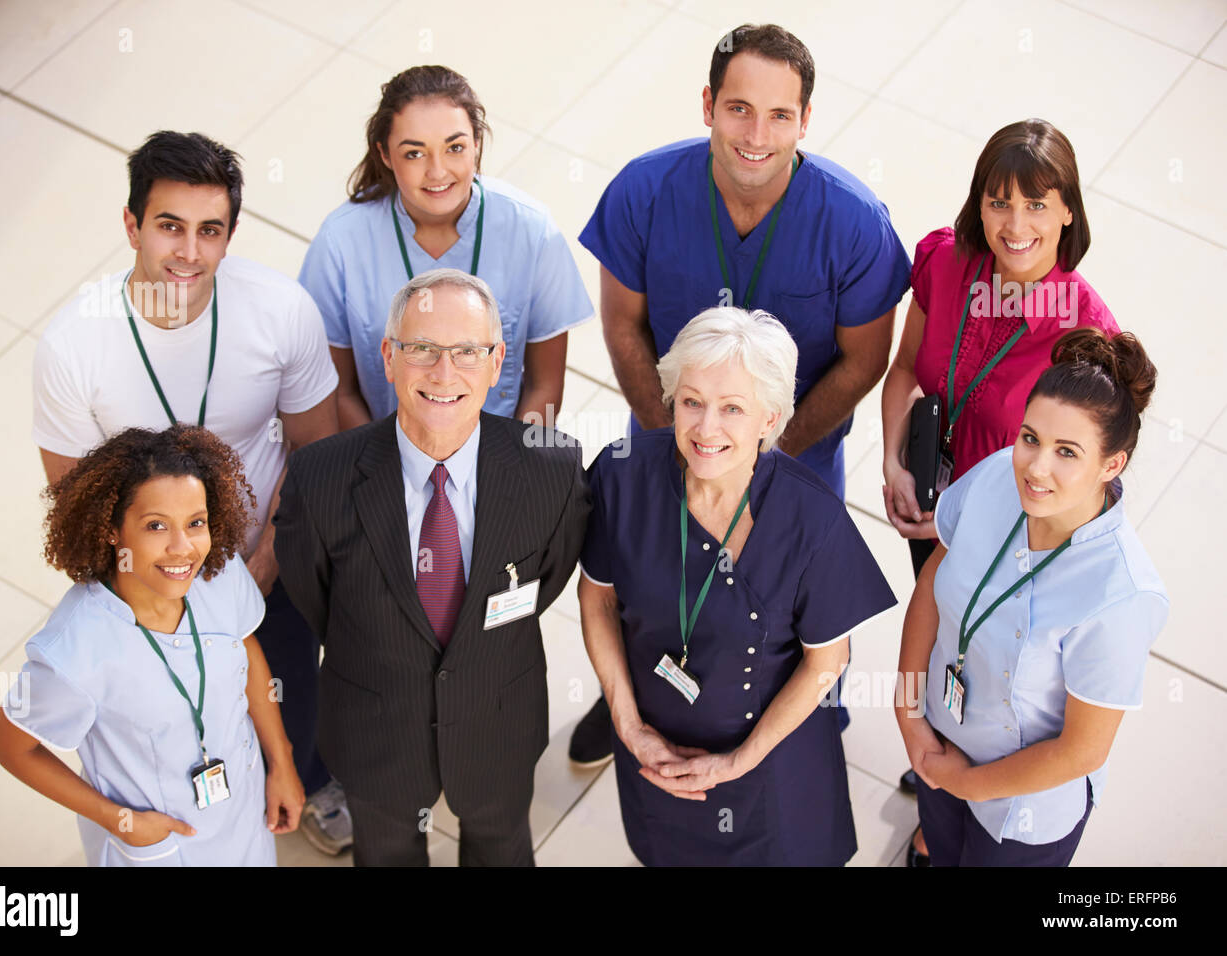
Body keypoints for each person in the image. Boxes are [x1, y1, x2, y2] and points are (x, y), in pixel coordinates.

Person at [573, 21, 910, 762]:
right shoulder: (644, 192)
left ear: (805, 120)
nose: (757, 134)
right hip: (671, 436)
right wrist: (681, 441)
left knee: (795, 619)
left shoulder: (852, 223)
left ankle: (804, 727)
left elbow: (863, 362)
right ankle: (634, 695)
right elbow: (624, 325)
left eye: (780, 114)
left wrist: (759, 449)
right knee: (649, 591)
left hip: (794, 455)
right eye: (739, 108)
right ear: (707, 105)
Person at [29, 131, 349, 854]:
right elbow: (78, 507)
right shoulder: (75, 346)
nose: (188, 252)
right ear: (132, 225)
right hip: (151, 574)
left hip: (269, 547)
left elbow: (317, 451)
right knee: (164, 717)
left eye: (210, 231)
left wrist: (261, 561)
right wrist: (168, 587)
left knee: (285, 681)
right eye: (169, 226)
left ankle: (301, 773)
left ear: (230, 236)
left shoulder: (279, 310)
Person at [274, 268, 589, 866]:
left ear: (497, 362)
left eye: (467, 351)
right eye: (422, 349)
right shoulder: (319, 480)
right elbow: (318, 602)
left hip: (499, 718)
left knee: (502, 846)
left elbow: (549, 577)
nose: (444, 375)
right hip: (373, 726)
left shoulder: (552, 469)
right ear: (389, 357)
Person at [878, 119, 1120, 864]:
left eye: (1039, 205)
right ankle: (940, 777)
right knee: (943, 632)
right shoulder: (948, 263)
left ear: (1069, 212)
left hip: (1015, 536)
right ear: (978, 204)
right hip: (933, 508)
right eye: (999, 201)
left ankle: (964, 786)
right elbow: (907, 370)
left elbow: (1089, 472)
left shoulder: (1087, 333)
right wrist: (893, 460)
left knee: (993, 661)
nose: (1016, 225)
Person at [578, 307, 896, 865]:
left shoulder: (811, 519)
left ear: (769, 419)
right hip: (651, 743)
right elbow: (598, 597)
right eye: (692, 401)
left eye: (732, 409)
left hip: (768, 766)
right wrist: (628, 727)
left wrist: (737, 763)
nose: (706, 429)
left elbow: (826, 663)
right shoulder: (622, 475)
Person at [894, 329, 1168, 866]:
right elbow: (932, 585)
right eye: (1030, 437)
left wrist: (969, 784)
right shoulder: (999, 473)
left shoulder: (1122, 593)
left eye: (1067, 452)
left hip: (1023, 810)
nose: (1035, 468)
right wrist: (908, 710)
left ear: (1112, 465)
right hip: (938, 747)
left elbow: (1081, 750)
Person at [0, 425, 305, 866]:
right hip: (157, 843)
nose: (182, 549)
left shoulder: (217, 574)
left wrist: (282, 762)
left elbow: (244, 651)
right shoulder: (74, 652)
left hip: (243, 810)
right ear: (113, 530)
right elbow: (11, 747)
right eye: (156, 525)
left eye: (196, 523)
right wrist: (120, 820)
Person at [298, 64, 593, 430]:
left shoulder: (533, 232)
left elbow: (545, 386)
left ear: (477, 145)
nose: (438, 172)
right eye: (414, 153)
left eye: (454, 148)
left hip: (502, 458)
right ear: (385, 155)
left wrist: (510, 468)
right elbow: (339, 392)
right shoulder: (340, 242)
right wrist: (383, 468)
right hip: (385, 459)